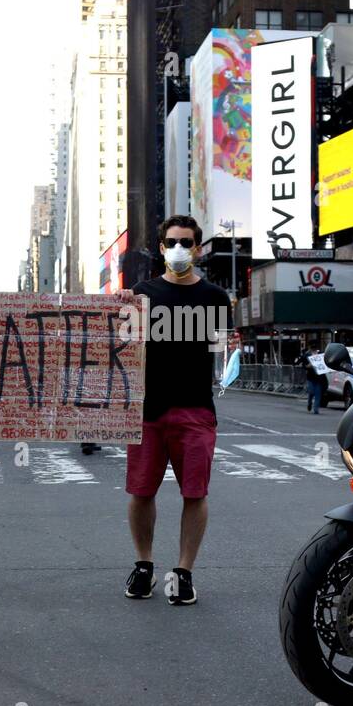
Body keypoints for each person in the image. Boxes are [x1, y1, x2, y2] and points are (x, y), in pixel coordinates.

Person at [123, 215, 234, 605]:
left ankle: (184, 571)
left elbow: (223, 353)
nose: (179, 249)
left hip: (196, 412)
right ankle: (144, 566)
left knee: (195, 493)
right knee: (140, 492)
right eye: (171, 242)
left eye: (186, 242)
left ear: (199, 249)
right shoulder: (140, 294)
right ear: (160, 247)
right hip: (147, 413)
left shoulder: (216, 298)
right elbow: (123, 352)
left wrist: (227, 370)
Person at [296, 345, 326, 414]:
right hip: (311, 377)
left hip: (319, 377)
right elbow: (302, 364)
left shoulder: (321, 355)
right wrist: (307, 366)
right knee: (311, 391)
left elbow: (324, 364)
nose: (314, 351)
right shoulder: (306, 355)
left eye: (315, 349)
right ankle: (309, 402)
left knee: (318, 393)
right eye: (313, 349)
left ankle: (316, 408)